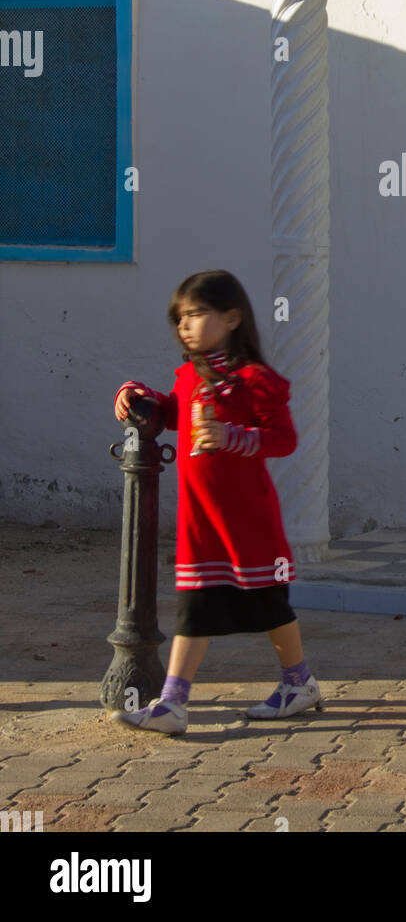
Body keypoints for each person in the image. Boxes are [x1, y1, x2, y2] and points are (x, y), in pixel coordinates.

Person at [110, 269, 322, 733]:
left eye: (196, 314)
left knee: (271, 605)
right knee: (195, 608)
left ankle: (299, 683)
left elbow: (283, 439)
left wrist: (232, 436)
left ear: (231, 318)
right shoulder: (189, 377)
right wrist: (134, 394)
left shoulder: (256, 380)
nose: (185, 325)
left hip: (249, 521)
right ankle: (172, 704)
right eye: (180, 317)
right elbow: (166, 412)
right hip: (200, 524)